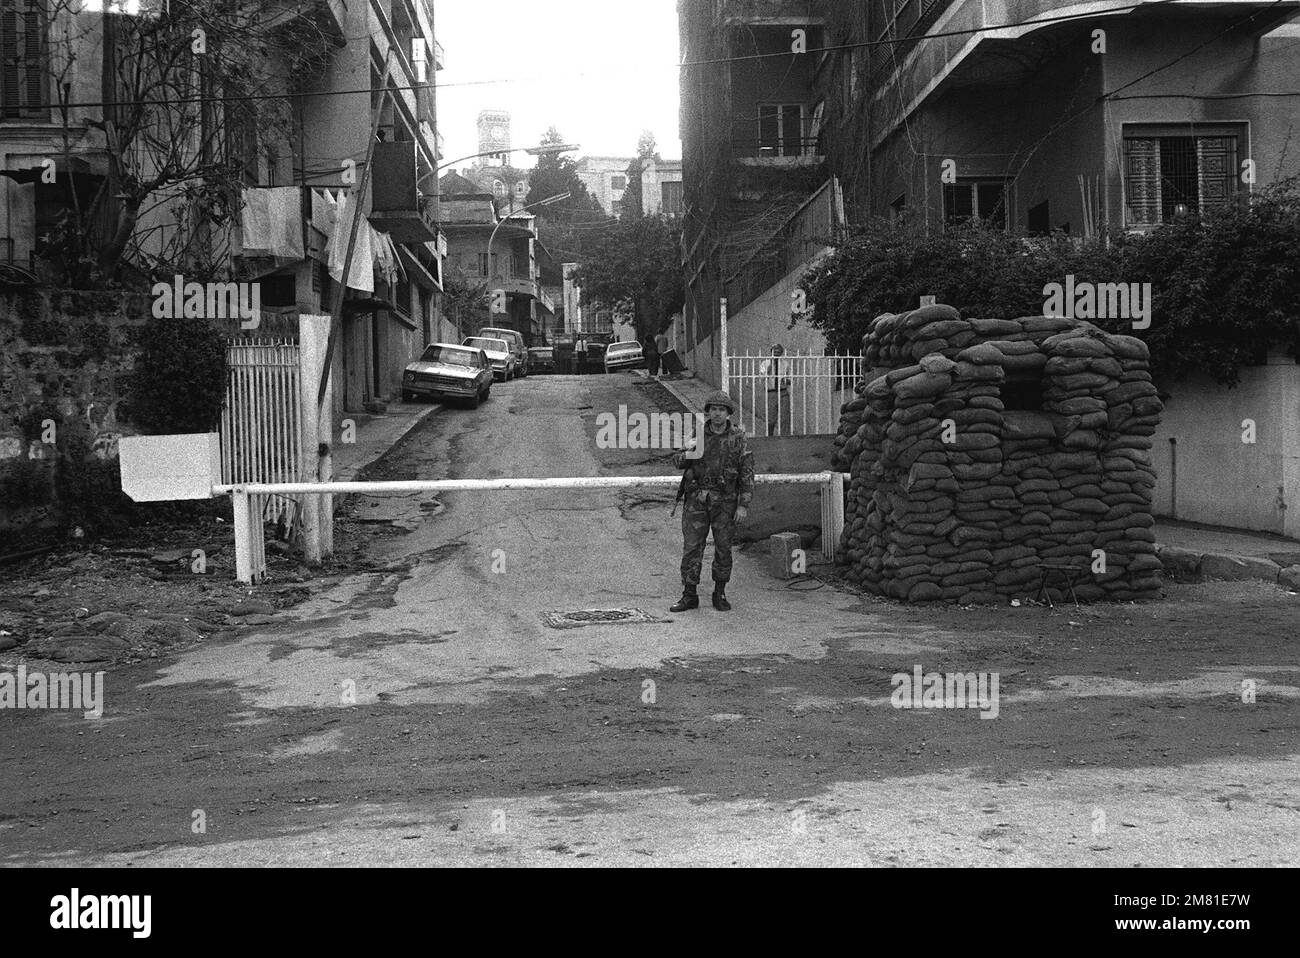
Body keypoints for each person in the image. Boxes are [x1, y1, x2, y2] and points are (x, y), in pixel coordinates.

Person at [669, 390, 755, 612]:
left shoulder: (738, 438)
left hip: (725, 502)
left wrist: (743, 504)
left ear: (728, 413)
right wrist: (690, 451)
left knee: (723, 548)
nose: (717, 414)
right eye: (713, 409)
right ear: (707, 412)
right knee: (691, 547)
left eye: (721, 410)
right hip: (697, 500)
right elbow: (677, 460)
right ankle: (689, 594)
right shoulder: (698, 434)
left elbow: (747, 473)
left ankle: (720, 592)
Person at [758, 343, 793, 436]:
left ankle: (785, 437)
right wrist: (769, 369)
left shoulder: (785, 364)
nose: (777, 353)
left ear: (781, 352)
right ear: (771, 352)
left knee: (785, 417)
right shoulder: (765, 363)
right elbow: (761, 378)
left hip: (783, 392)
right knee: (771, 418)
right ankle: (769, 436)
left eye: (778, 351)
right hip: (771, 392)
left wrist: (786, 380)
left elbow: (790, 379)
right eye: (775, 351)